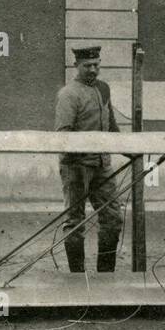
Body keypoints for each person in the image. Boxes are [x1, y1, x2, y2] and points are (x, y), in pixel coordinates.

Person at [55, 45, 123, 273]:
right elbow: (63, 135)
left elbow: (112, 126)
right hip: (76, 167)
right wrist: (83, 154)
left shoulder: (104, 89)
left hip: (103, 166)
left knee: (113, 218)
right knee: (75, 221)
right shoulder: (68, 94)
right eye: (87, 66)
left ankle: (105, 275)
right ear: (77, 66)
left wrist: (131, 149)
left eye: (96, 65)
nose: (93, 70)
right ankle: (77, 277)